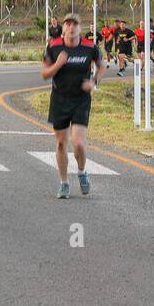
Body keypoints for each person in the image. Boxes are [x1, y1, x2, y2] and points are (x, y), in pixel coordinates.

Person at [41, 13, 105, 199]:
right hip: (59, 99)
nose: (71, 27)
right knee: (61, 143)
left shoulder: (89, 47)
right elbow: (45, 74)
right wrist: (58, 65)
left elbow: (102, 66)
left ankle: (82, 171)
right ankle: (64, 183)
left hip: (80, 99)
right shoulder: (53, 47)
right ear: (63, 28)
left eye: (74, 24)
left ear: (79, 28)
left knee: (78, 143)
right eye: (67, 24)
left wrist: (94, 81)